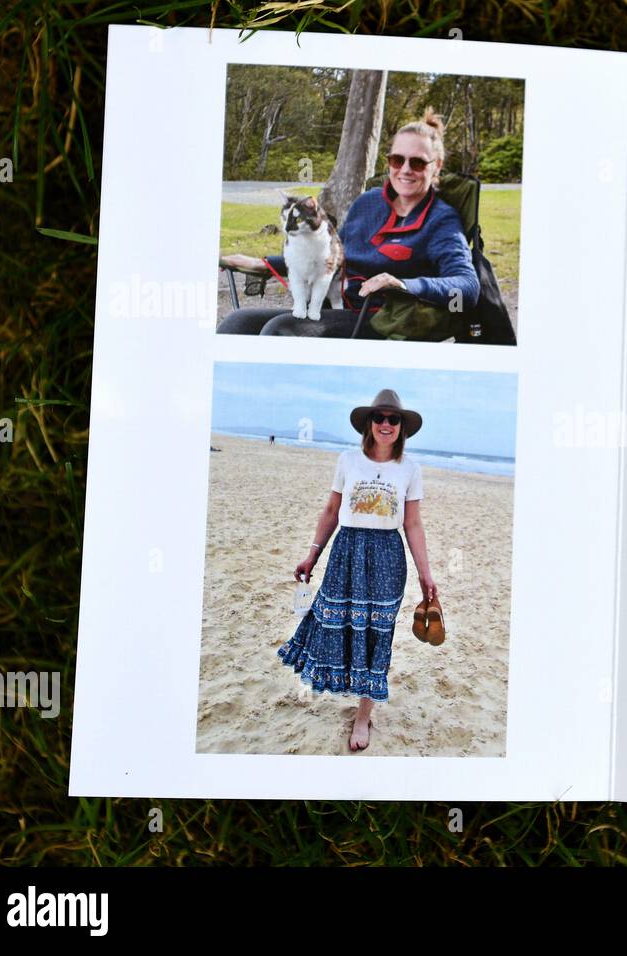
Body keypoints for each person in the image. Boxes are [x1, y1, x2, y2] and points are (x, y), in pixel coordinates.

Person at [219, 107, 480, 338]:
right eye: (397, 159)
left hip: (385, 317)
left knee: (280, 331)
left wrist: (403, 284)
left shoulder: (441, 220)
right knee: (237, 323)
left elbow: (467, 286)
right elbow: (334, 259)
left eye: (418, 162)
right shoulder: (368, 202)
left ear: (437, 166)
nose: (405, 169)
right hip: (339, 306)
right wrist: (264, 265)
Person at [278, 388, 438, 751]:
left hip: (387, 556)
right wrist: (312, 554)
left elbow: (412, 525)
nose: (386, 424)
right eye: (379, 418)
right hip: (346, 550)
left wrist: (426, 574)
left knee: (377, 634)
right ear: (369, 423)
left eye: (393, 419)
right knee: (334, 622)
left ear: (401, 427)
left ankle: (363, 715)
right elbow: (332, 512)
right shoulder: (348, 460)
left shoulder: (410, 469)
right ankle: (338, 685)